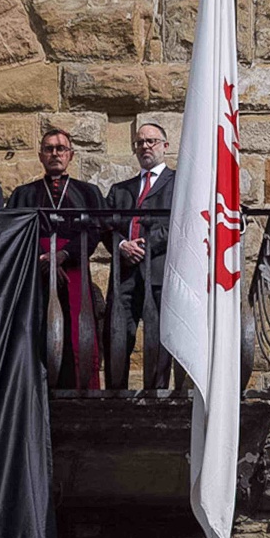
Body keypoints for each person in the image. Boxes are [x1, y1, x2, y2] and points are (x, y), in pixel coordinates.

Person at [7, 128, 106, 390]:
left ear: (70, 155)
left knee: (76, 335)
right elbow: (12, 233)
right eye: (49, 149)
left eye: (61, 148)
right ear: (40, 156)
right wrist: (41, 257)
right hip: (34, 274)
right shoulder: (23, 194)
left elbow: (96, 229)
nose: (55, 153)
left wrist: (62, 255)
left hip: (73, 271)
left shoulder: (88, 193)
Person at [105, 123, 176, 390]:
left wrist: (144, 245)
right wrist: (123, 244)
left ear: (165, 146)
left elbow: (178, 224)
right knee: (117, 336)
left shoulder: (179, 183)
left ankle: (156, 396)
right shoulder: (120, 190)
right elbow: (106, 228)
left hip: (158, 272)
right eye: (140, 142)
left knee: (158, 339)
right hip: (124, 275)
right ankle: (115, 396)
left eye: (152, 141)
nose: (145, 146)